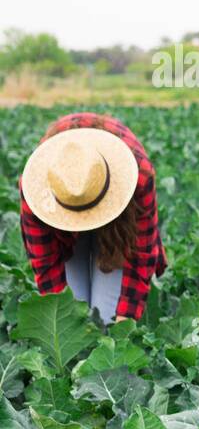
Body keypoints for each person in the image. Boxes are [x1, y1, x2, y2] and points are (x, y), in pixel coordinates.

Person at [19, 113, 167, 323]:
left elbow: (141, 255)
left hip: (118, 227)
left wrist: (123, 324)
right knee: (70, 313)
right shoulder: (36, 191)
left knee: (106, 319)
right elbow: (46, 264)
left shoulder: (138, 178)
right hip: (64, 236)